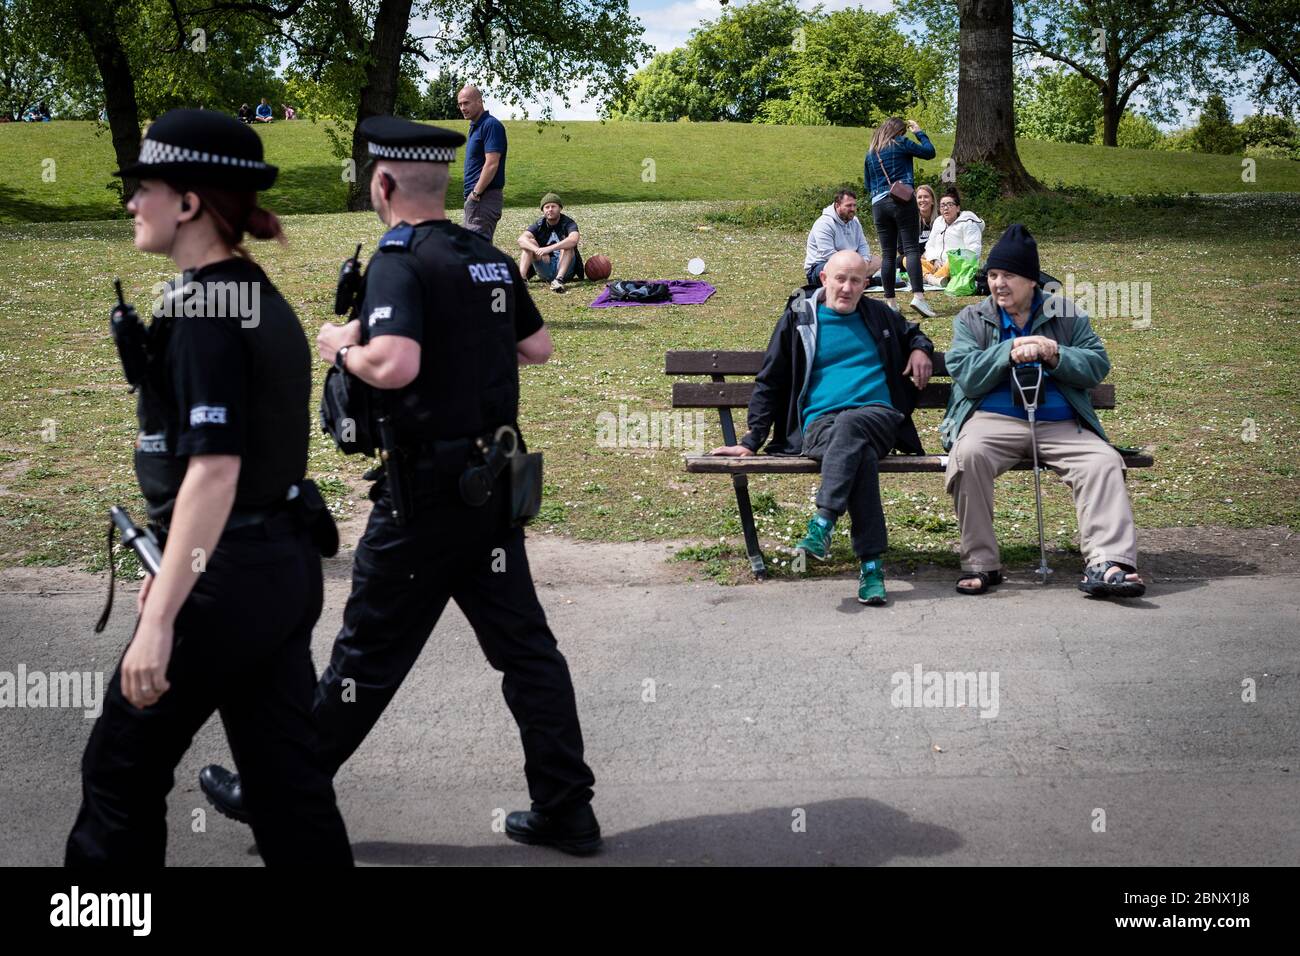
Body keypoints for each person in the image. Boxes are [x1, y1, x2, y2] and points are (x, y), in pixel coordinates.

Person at [198, 115, 602, 856]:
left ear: (383, 184)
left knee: (364, 657)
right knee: (527, 652)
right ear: (444, 183)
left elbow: (396, 366)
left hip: (425, 498)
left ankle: (277, 797)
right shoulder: (480, 256)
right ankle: (567, 807)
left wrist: (340, 345)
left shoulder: (399, 258)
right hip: (493, 486)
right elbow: (537, 346)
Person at [65, 109, 353, 866]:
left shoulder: (199, 309)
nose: (133, 203)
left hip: (223, 579)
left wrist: (162, 613)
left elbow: (215, 472)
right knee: (287, 785)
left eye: (145, 187)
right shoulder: (253, 294)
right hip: (277, 569)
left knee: (119, 772)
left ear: (189, 202)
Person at [709, 250, 934, 605]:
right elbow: (771, 380)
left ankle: (824, 521)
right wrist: (752, 440)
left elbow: (914, 333)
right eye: (840, 279)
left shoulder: (879, 315)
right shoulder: (800, 318)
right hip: (820, 425)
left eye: (856, 281)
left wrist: (920, 348)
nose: (846, 288)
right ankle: (871, 565)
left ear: (865, 284)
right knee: (856, 451)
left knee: (854, 424)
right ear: (824, 279)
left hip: (877, 416)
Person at [941, 224, 1146, 598]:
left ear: (1032, 281)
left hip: (1061, 423)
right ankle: (981, 563)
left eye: (1008, 275)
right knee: (968, 456)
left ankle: (1107, 562)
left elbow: (1096, 365)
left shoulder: (1065, 315)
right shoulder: (971, 319)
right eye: (992, 275)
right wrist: (1009, 349)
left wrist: (1054, 353)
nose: (998, 283)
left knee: (1101, 462)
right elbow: (966, 375)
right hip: (993, 421)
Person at [865, 116, 937, 318]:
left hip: (878, 204)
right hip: (901, 200)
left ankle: (891, 303)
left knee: (887, 253)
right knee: (911, 249)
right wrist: (919, 132)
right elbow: (929, 153)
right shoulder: (901, 143)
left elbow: (868, 184)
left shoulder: (871, 152)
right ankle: (919, 298)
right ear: (899, 131)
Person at [803, 188, 882, 288]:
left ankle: (854, 280)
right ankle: (860, 280)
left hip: (851, 263)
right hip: (822, 266)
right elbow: (828, 253)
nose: (853, 209)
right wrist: (853, 265)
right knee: (836, 268)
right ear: (837, 205)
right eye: (848, 205)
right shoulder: (824, 223)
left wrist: (865, 262)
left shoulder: (855, 222)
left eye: (854, 205)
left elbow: (863, 245)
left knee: (877, 261)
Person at [458, 84, 507, 241]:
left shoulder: (490, 125)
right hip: (476, 199)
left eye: (466, 103)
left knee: (476, 251)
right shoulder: (476, 127)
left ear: (479, 101)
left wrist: (476, 193)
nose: (462, 108)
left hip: (483, 198)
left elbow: (492, 163)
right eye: (460, 104)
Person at [518, 192, 585, 293]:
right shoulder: (539, 224)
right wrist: (538, 250)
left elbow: (573, 240)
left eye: (553, 206)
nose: (550, 209)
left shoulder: (568, 223)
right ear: (543, 210)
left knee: (567, 244)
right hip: (545, 267)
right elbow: (521, 240)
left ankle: (558, 281)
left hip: (565, 269)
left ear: (560, 208)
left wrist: (548, 249)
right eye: (547, 207)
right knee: (530, 242)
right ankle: (521, 280)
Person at [921, 187, 985, 286]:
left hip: (955, 266)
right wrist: (934, 259)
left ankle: (926, 277)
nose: (946, 208)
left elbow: (974, 251)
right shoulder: (938, 221)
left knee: (951, 264)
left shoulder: (968, 223)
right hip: (937, 265)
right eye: (942, 205)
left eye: (950, 205)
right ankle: (932, 279)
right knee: (908, 260)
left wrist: (953, 260)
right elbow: (930, 245)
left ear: (958, 208)